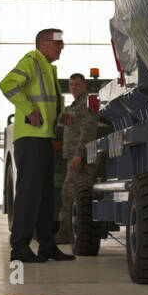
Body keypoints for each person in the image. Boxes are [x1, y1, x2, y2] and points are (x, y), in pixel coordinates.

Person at [0, 29, 74, 263]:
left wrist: (62, 115)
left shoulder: (48, 68)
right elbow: (7, 85)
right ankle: (19, 249)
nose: (62, 47)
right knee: (28, 196)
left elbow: (49, 103)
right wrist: (29, 110)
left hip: (44, 138)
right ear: (43, 44)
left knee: (45, 197)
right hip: (31, 138)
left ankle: (47, 246)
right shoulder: (32, 61)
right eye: (58, 43)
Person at [56, 73, 100, 244]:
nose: (73, 87)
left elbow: (88, 130)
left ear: (84, 86)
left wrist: (78, 155)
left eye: (77, 84)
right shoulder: (74, 105)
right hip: (74, 156)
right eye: (71, 84)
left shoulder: (86, 103)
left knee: (70, 194)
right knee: (71, 194)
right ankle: (71, 233)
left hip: (80, 157)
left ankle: (67, 233)